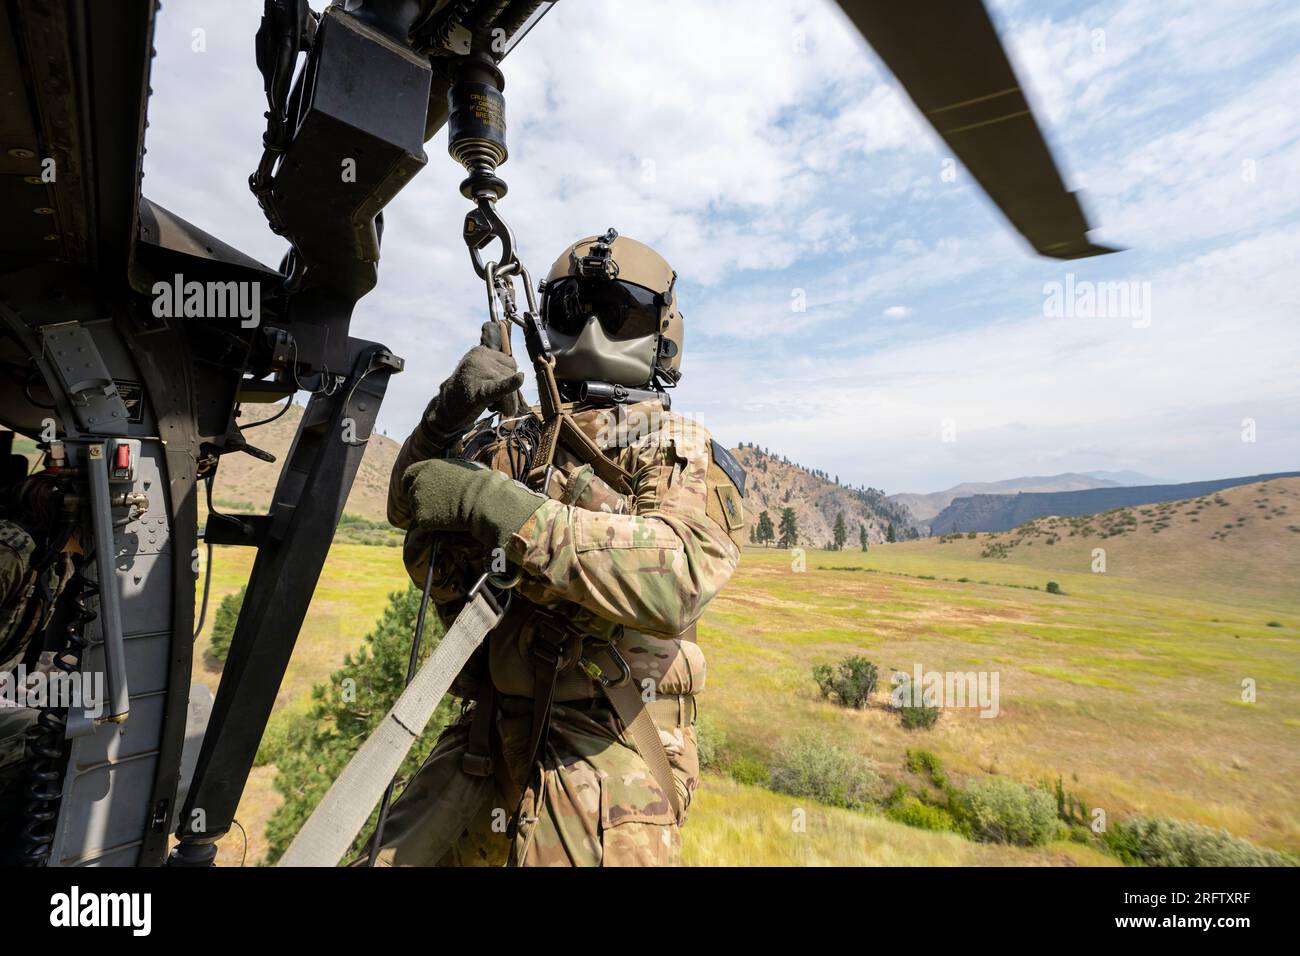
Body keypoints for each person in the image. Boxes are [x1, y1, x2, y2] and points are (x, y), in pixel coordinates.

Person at [370, 229, 746, 865]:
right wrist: (443, 420)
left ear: (660, 331)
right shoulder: (514, 438)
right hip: (486, 731)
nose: (594, 328)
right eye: (575, 308)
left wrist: (496, 507)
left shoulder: (671, 444)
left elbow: (676, 578)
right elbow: (408, 505)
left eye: (618, 309)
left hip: (606, 743)